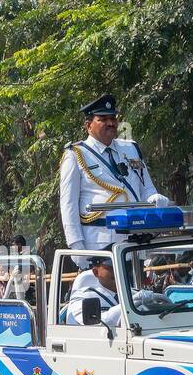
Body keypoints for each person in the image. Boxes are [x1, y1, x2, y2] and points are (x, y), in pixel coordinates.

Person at [59, 93, 171, 260]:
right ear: (88, 125)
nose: (110, 123)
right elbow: (68, 204)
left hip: (135, 241)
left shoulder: (131, 149)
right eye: (103, 119)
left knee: (135, 286)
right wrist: (76, 245)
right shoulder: (76, 155)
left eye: (113, 118)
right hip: (100, 243)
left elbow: (145, 186)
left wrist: (154, 197)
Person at [65, 257, 126, 326]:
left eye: (122, 267)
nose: (118, 272)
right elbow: (98, 324)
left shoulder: (134, 294)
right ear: (96, 272)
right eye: (111, 268)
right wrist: (129, 304)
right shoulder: (83, 296)